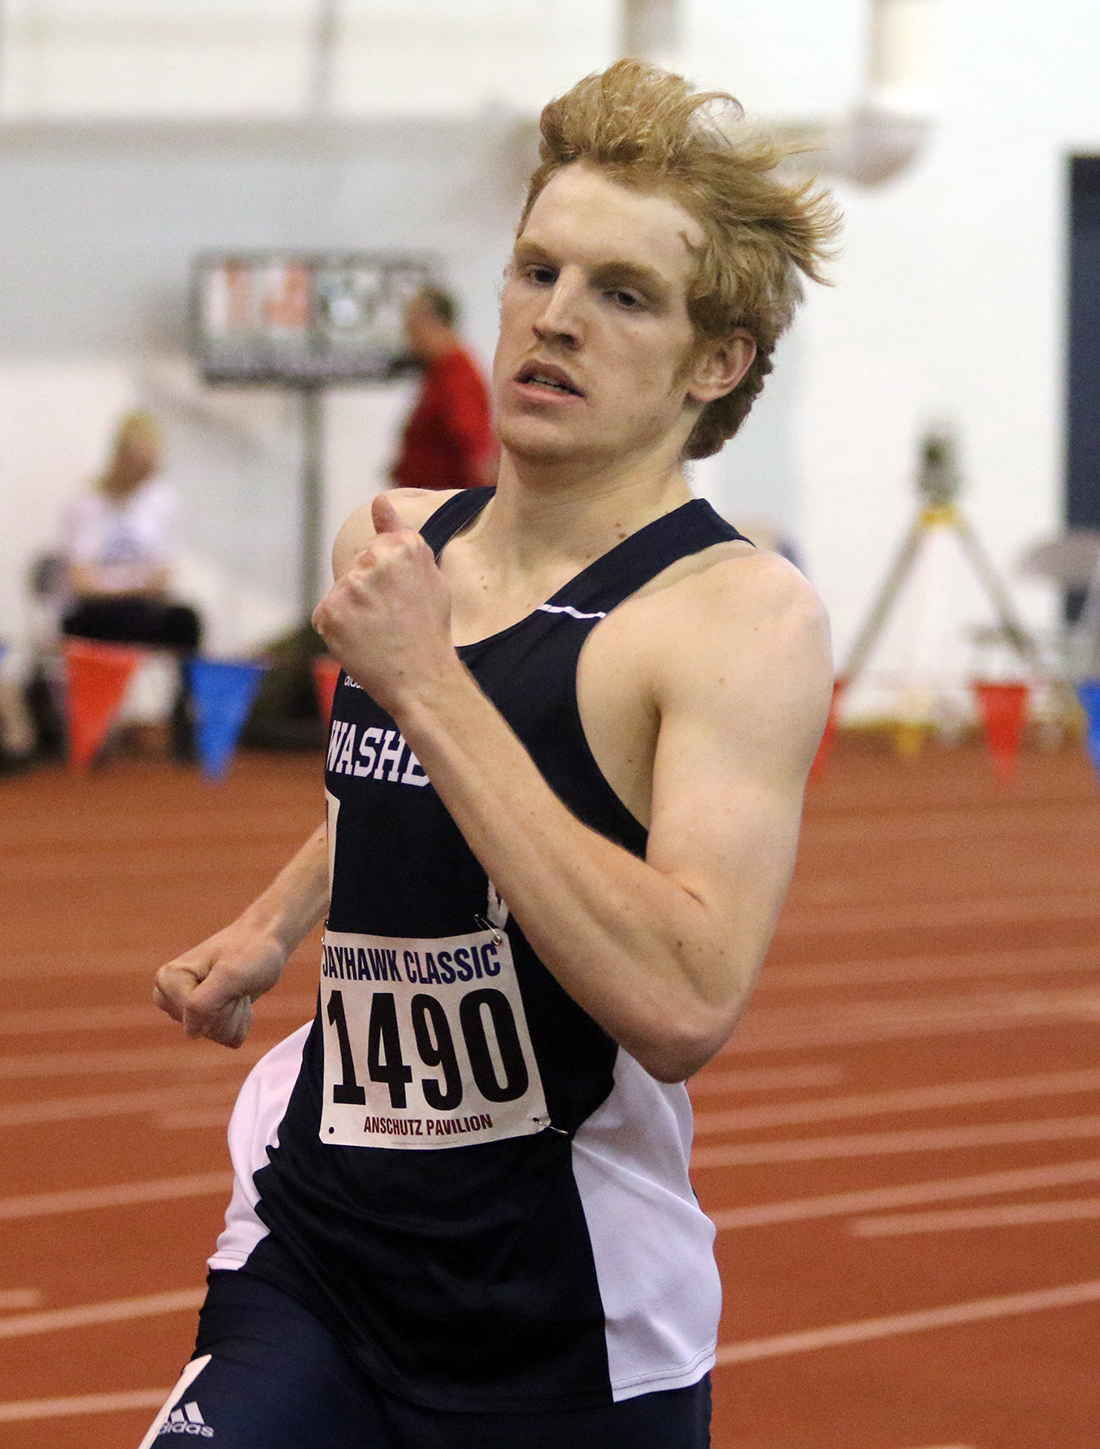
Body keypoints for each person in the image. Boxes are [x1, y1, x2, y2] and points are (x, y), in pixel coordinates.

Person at [149, 60, 836, 1449]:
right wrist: (273, 921)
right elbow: (398, 786)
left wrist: (427, 682)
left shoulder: (733, 619)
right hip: (322, 1243)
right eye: (538, 270)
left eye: (624, 294)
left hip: (565, 1314)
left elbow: (684, 998)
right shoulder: (400, 542)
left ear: (717, 364)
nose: (557, 318)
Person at [60, 410, 201, 758]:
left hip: (141, 608)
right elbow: (80, 581)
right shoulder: (87, 502)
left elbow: (164, 575)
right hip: (97, 611)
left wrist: (123, 584)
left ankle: (183, 722)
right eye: (140, 465)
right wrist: (132, 585)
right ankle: (97, 728)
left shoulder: (161, 500)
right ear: (120, 458)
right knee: (124, 617)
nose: (146, 475)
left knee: (187, 620)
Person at [391, 287, 498, 491]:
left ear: (433, 324)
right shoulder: (438, 373)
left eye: (412, 326)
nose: (408, 336)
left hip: (445, 509)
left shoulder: (457, 376)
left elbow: (476, 448)